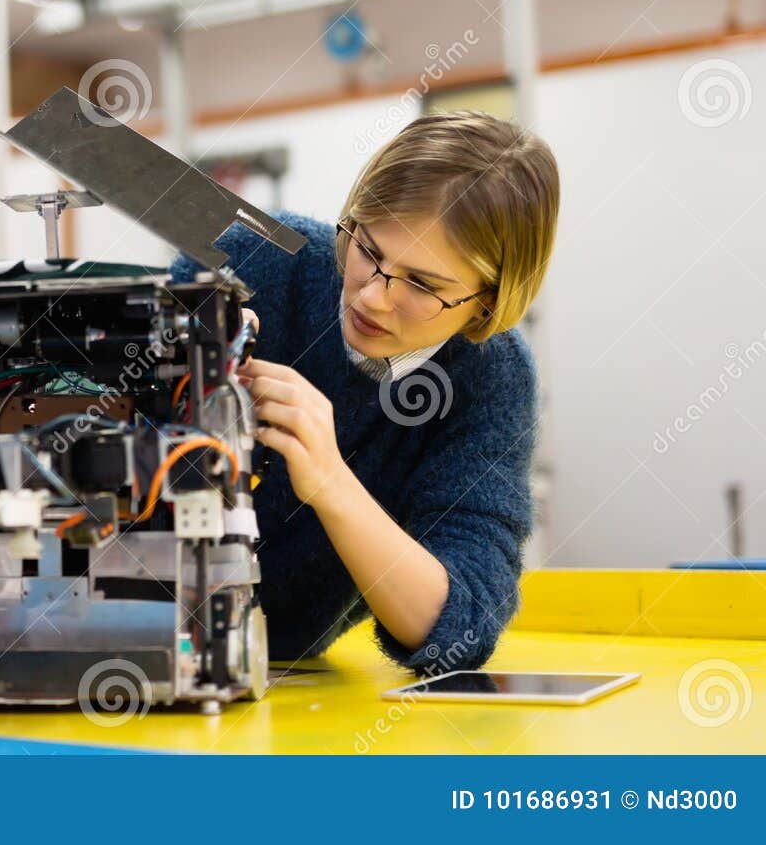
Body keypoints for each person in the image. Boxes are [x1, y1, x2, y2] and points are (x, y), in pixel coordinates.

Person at [171, 110, 560, 672]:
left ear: (490, 301)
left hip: (274, 682)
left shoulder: (491, 380)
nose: (373, 299)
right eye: (369, 251)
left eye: (424, 285)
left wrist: (330, 482)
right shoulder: (254, 262)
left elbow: (462, 624)